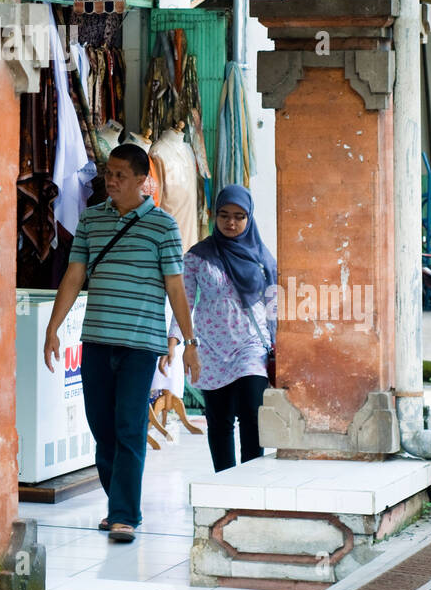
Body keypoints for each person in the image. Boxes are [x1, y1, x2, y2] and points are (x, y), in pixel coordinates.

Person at [43, 143, 199, 543]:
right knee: (103, 429)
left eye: (119, 176)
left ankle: (123, 514)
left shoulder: (163, 226)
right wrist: (53, 328)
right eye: (107, 174)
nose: (110, 181)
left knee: (129, 427)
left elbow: (176, 288)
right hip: (95, 340)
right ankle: (120, 506)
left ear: (142, 180)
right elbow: (74, 276)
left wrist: (187, 340)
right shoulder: (92, 221)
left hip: (140, 345)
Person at [183, 184, 277, 473]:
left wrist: (282, 341)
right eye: (224, 215)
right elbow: (183, 301)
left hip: (250, 346)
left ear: (250, 218)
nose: (231, 222)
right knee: (220, 421)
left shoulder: (262, 258)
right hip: (211, 348)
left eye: (239, 216)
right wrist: (184, 343)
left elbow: (275, 304)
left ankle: (251, 481)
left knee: (252, 413)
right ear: (214, 216)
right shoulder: (198, 255)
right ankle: (224, 483)